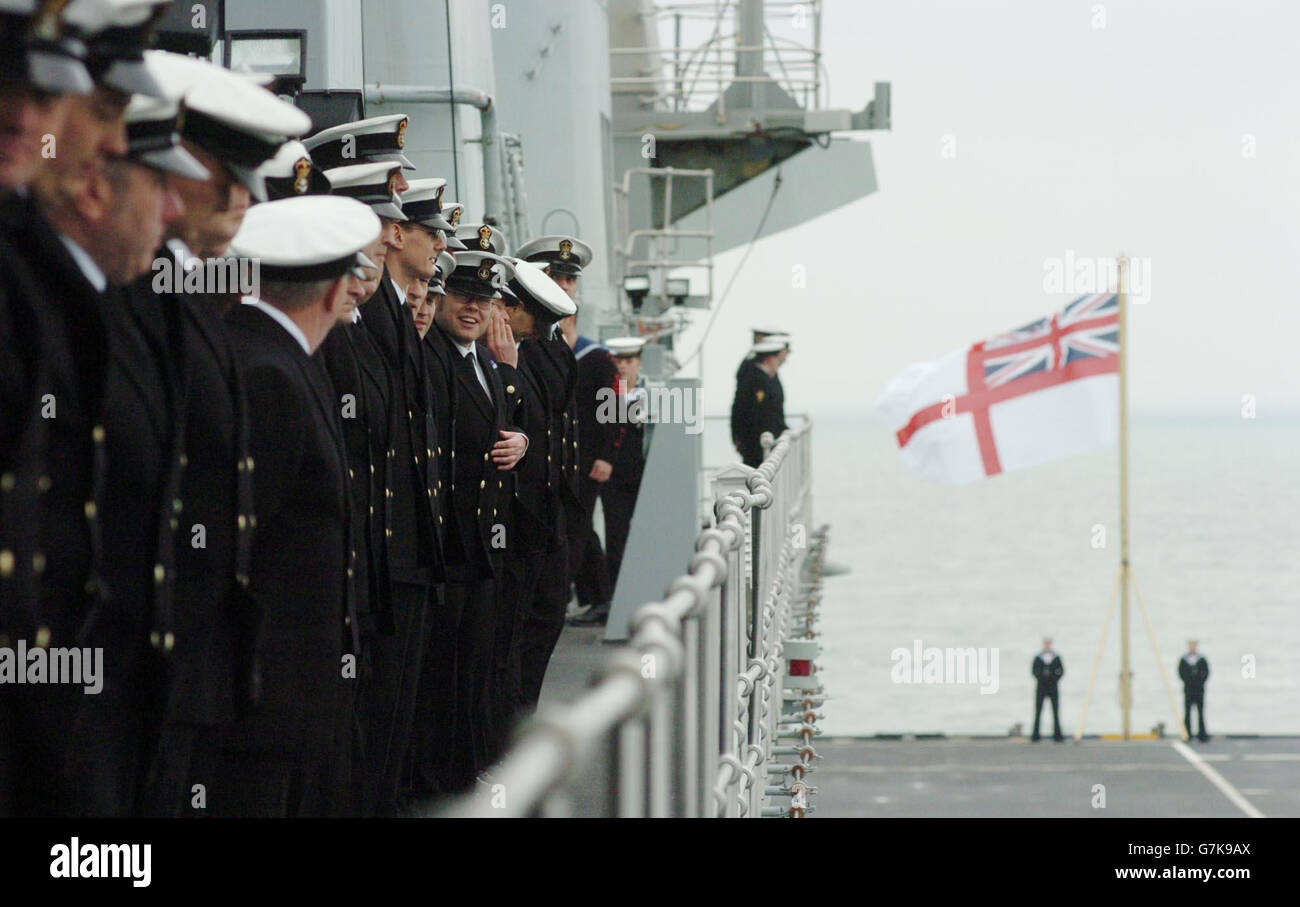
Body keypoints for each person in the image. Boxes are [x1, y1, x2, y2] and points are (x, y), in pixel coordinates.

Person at [212, 195, 378, 817]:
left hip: (295, 692)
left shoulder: (282, 361)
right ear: (339, 291)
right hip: (268, 697)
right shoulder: (270, 374)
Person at [414, 241, 527, 795]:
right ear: (440, 296)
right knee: (444, 673)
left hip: (483, 541)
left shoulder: (482, 359)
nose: (472, 309)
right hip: (449, 544)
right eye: (462, 295)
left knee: (474, 667)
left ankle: (465, 770)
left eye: (484, 300)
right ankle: (441, 782)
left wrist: (521, 438)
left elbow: (500, 427)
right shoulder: (431, 357)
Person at [491, 257, 576, 743]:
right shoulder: (504, 352)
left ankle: (521, 721)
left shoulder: (547, 347)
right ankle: (508, 734)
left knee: (545, 616)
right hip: (512, 513)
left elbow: (556, 412)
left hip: (546, 506)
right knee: (509, 636)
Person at [599, 337, 649, 603]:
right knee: (615, 536)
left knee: (639, 535)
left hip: (640, 477)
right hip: (614, 477)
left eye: (629, 361)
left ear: (639, 363)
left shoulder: (646, 398)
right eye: (618, 360)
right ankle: (615, 597)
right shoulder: (606, 397)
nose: (623, 366)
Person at [730, 334, 790, 467]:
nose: (779, 361)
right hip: (754, 441)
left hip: (765, 439)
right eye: (777, 357)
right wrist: (738, 438)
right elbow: (741, 408)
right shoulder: (754, 378)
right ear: (769, 358)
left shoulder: (769, 378)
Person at [1031, 638, 1064, 742]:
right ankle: (1035, 735)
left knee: (1055, 711)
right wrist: (1040, 677)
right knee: (1038, 711)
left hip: (1053, 686)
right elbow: (1033, 671)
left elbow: (1061, 670)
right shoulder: (1038, 657)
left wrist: (1055, 678)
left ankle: (1057, 735)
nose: (1047, 646)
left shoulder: (1056, 657)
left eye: (1049, 644)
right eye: (1046, 644)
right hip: (1041, 686)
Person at [1179, 640, 1210, 742]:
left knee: (1200, 712)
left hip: (1199, 689)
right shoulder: (1184, 659)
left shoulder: (1201, 659)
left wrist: (1199, 681)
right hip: (1188, 689)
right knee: (1187, 712)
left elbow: (1206, 672)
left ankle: (1202, 735)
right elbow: (1181, 673)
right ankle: (1187, 734)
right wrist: (1188, 680)